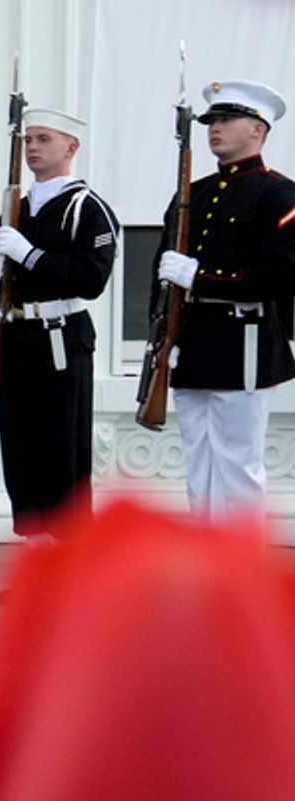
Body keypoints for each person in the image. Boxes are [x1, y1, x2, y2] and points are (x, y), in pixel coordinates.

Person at [154, 80, 293, 523]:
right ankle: (205, 571)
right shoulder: (191, 193)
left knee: (237, 468)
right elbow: (163, 271)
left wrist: (200, 276)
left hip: (243, 340)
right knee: (200, 466)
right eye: (211, 121)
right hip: (192, 341)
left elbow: (282, 275)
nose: (214, 128)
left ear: (258, 129)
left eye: (226, 120)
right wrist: (162, 336)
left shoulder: (279, 194)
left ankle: (240, 576)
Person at [0, 108, 117, 538]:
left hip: (61, 340)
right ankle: (36, 567)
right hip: (17, 338)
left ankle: (68, 569)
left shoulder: (87, 209)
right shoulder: (15, 208)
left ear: (71, 148)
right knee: (20, 454)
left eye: (43, 140)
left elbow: (90, 280)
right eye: (28, 140)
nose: (32, 148)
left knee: (61, 453)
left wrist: (31, 255)